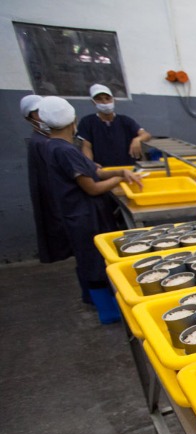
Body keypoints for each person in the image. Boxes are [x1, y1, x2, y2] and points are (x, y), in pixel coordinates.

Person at [40, 96, 144, 322]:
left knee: (92, 259)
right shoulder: (64, 150)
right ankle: (109, 313)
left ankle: (102, 303)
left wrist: (120, 172)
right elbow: (93, 187)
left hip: (81, 212)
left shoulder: (58, 146)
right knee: (93, 262)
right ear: (72, 120)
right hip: (83, 215)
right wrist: (120, 181)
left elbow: (94, 171)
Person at [22, 94, 72, 266]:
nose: (42, 116)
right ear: (29, 118)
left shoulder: (50, 142)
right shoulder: (45, 143)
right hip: (58, 198)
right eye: (37, 112)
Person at [76, 84, 151, 167]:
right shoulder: (88, 122)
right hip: (103, 168)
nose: (104, 102)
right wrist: (90, 164)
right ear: (93, 102)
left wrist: (137, 139)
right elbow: (86, 146)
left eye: (107, 98)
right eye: (99, 99)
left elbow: (146, 135)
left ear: (113, 100)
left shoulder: (125, 120)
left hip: (128, 166)